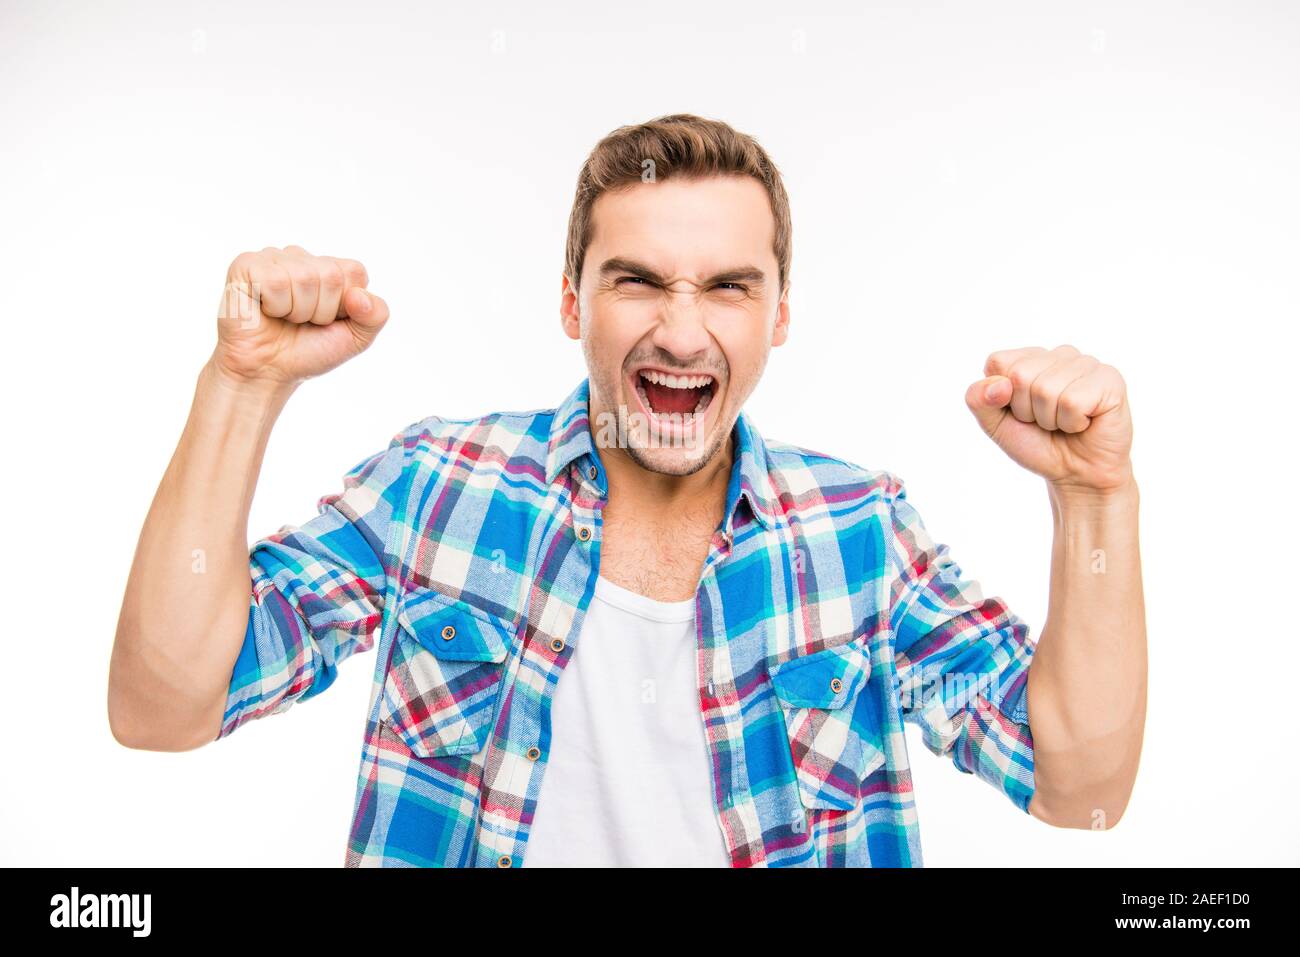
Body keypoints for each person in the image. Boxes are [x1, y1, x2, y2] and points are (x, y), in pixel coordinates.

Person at [108, 113, 1146, 868]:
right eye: (638, 280)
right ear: (574, 302)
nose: (683, 331)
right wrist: (241, 385)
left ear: (777, 316)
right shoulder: (440, 488)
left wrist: (1095, 499)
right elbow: (163, 708)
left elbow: (1080, 793)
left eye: (729, 286)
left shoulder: (858, 532)